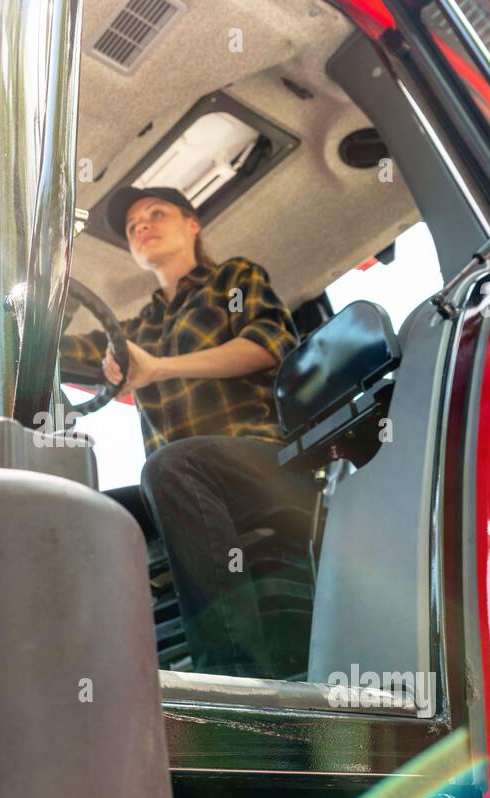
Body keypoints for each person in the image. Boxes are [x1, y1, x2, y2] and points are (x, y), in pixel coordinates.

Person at [60, 186, 315, 679]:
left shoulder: (234, 279)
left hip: (265, 466)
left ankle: (230, 676)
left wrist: (161, 368)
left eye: (156, 215)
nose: (143, 227)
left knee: (173, 464)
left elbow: (271, 344)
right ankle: (110, 684)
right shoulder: (139, 326)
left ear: (192, 224)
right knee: (85, 512)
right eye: (134, 227)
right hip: (180, 486)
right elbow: (60, 349)